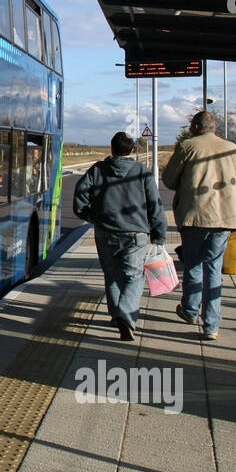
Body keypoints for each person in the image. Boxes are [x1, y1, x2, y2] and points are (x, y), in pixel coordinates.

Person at [161, 110, 236, 340]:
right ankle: (211, 325)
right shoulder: (233, 148)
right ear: (215, 128)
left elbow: (169, 180)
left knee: (193, 265)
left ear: (196, 127)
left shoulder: (188, 147)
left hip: (194, 216)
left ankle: (190, 310)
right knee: (213, 268)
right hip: (224, 218)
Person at [72, 131, 167, 341]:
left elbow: (80, 193)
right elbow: (155, 205)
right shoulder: (142, 172)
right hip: (135, 234)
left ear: (112, 148)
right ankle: (125, 314)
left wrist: (89, 215)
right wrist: (159, 234)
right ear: (132, 151)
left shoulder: (98, 169)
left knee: (112, 274)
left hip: (105, 231)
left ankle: (116, 316)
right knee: (134, 277)